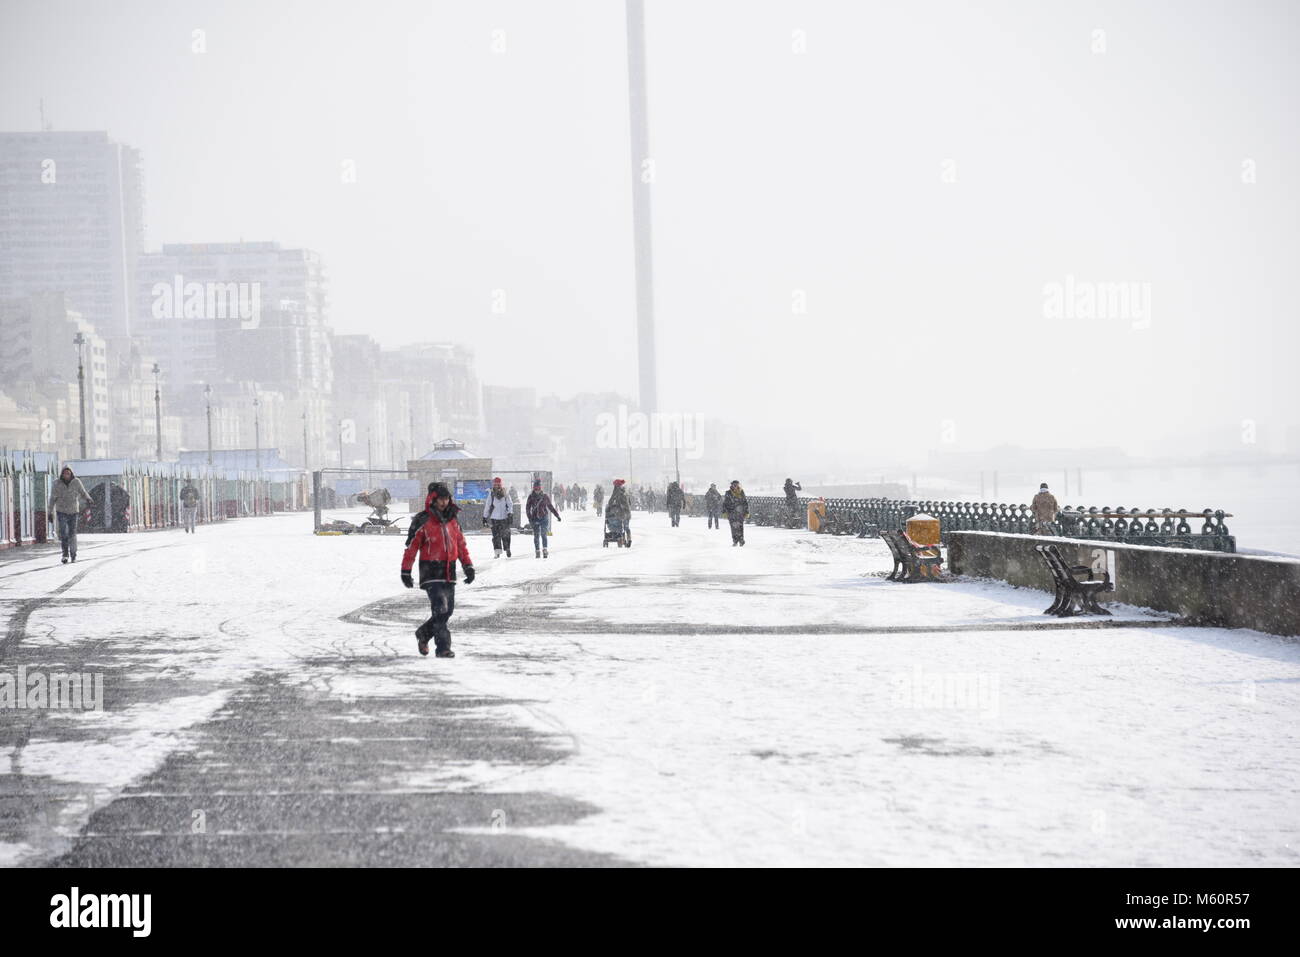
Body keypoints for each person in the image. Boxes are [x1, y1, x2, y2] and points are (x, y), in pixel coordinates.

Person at [401, 482, 474, 658]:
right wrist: (406, 571)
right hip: (430, 571)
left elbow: (461, 545)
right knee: (440, 609)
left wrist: (468, 566)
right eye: (441, 499)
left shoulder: (453, 520)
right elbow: (411, 548)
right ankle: (443, 648)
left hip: (449, 570)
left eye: (447, 498)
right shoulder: (423, 520)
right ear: (432, 500)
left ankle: (424, 634)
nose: (444, 502)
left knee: (447, 611)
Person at [50, 466, 92, 563]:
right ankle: (65, 555)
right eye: (65, 473)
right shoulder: (57, 483)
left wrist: (88, 498)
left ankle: (73, 554)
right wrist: (50, 511)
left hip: (73, 511)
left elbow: (83, 492)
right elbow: (52, 498)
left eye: (68, 473)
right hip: (61, 511)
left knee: (72, 534)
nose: (66, 475)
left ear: (71, 474)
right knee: (63, 533)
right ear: (62, 474)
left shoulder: (76, 482)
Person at [526, 480, 562, 558]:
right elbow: (527, 508)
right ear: (533, 488)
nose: (537, 490)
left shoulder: (545, 496)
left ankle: (545, 549)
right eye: (535, 488)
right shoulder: (531, 497)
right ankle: (537, 550)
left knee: (543, 534)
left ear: (540, 488)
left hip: (544, 518)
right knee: (536, 535)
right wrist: (530, 518)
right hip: (535, 518)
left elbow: (550, 507)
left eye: (538, 488)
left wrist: (557, 515)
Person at [482, 476, 513, 558]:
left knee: (506, 535)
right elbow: (487, 506)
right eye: (495, 484)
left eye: (498, 484)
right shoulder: (491, 494)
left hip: (504, 518)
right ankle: (497, 552)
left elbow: (510, 504)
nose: (496, 486)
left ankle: (507, 549)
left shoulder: (505, 494)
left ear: (501, 485)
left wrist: (510, 513)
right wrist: (484, 517)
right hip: (494, 518)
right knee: (496, 536)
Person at [722, 479, 749, 546]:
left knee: (740, 527)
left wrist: (747, 512)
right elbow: (725, 503)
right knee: (733, 527)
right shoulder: (728, 493)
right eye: (734, 485)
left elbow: (745, 502)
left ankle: (741, 540)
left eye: (737, 485)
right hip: (731, 513)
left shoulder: (741, 492)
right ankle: (735, 540)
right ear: (732, 485)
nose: (736, 486)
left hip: (740, 513)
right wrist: (724, 512)